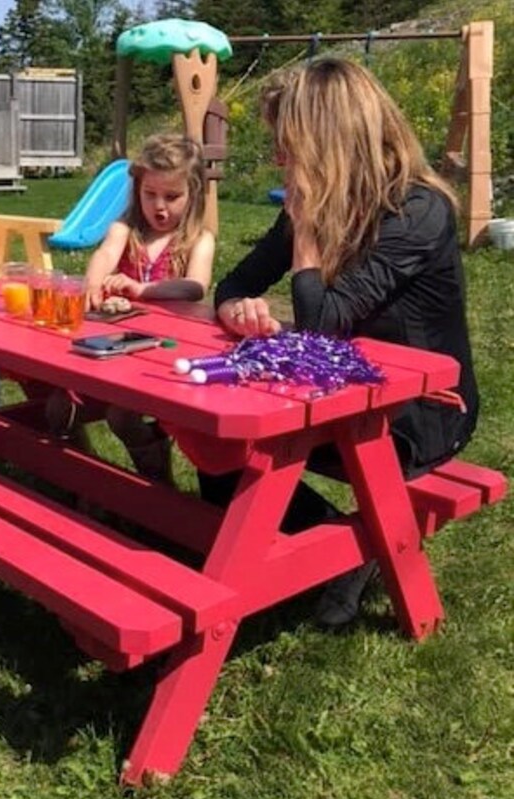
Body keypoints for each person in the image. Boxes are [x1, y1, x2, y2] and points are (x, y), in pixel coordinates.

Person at [193, 58, 479, 625]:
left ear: (330, 139)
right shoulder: (320, 198)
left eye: (288, 143)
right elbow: (237, 281)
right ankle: (340, 548)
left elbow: (325, 322)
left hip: (417, 413)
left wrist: (304, 235)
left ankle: (346, 555)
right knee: (217, 445)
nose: (278, 158)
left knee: (244, 450)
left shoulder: (418, 210)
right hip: (336, 386)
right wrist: (237, 309)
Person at [46, 133, 215, 480]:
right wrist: (93, 283)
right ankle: (86, 477)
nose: (159, 206)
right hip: (115, 345)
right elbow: (105, 254)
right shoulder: (126, 228)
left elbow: (195, 286)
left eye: (171, 196)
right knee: (57, 407)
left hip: (167, 352)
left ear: (194, 194)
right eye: (149, 194)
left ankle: (156, 484)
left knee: (120, 416)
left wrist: (143, 289)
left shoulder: (198, 239)